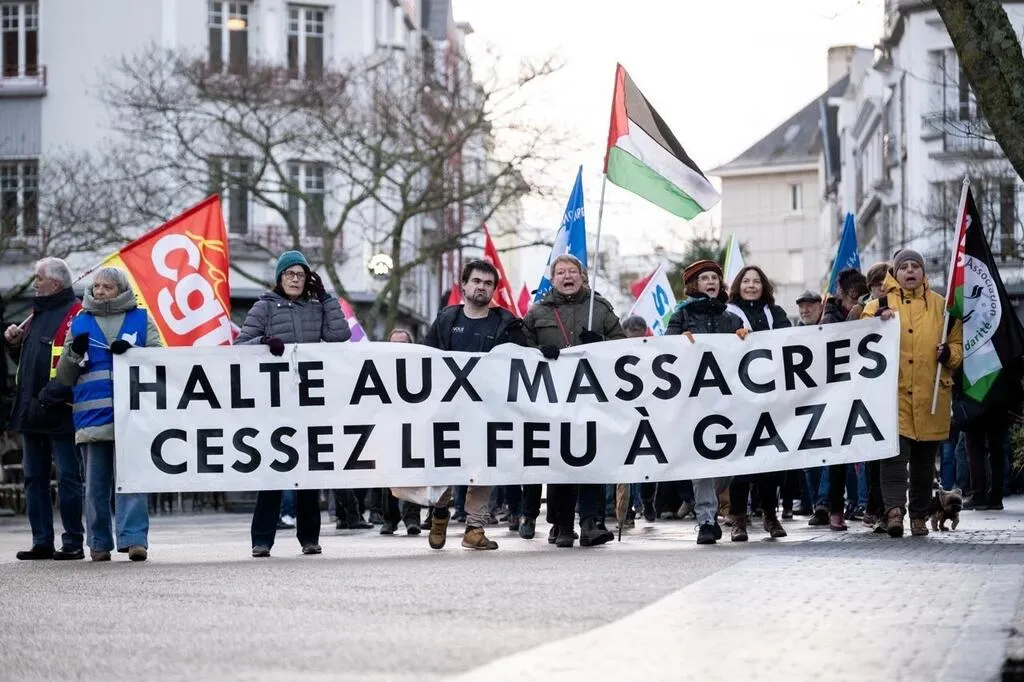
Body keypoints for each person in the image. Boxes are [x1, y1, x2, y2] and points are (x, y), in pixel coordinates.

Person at [236, 251, 351, 557]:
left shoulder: (317, 306)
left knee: (308, 474)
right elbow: (240, 347)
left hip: (308, 401)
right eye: (290, 274)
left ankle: (309, 538)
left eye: (301, 275)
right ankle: (261, 540)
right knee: (273, 471)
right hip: (274, 402)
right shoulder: (264, 307)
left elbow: (340, 335)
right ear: (280, 277)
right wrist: (263, 343)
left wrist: (327, 299)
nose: (296, 280)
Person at [54, 266, 163, 562]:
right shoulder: (80, 322)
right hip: (93, 418)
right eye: (96, 286)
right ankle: (99, 543)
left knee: (133, 481)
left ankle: (134, 540)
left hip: (134, 418)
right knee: (96, 486)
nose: (100, 291)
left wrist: (133, 352)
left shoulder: (141, 319)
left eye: (107, 287)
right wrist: (73, 353)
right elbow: (64, 377)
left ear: (121, 290)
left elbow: (162, 361)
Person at [423, 259, 529, 550]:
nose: (482, 287)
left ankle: (475, 528)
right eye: (477, 281)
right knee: (445, 467)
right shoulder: (446, 320)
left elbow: (525, 358)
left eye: (488, 283)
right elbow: (424, 358)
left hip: (487, 412)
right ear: (465, 285)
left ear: (494, 289)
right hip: (449, 411)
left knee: (485, 467)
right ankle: (440, 513)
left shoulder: (505, 323)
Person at [522, 254, 625, 548]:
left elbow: (623, 345)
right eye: (561, 272)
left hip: (592, 396)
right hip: (553, 399)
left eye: (573, 271)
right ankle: (563, 524)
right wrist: (541, 351)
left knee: (592, 457)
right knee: (561, 460)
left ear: (583, 276)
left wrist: (601, 344)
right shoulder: (538, 311)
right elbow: (521, 345)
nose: (567, 276)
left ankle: (591, 522)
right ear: (553, 279)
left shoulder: (600, 308)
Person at [861, 249, 963, 537]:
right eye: (903, 266)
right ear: (895, 272)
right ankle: (894, 512)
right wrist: (875, 322)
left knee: (923, 463)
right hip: (892, 398)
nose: (909, 271)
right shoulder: (878, 304)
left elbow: (957, 344)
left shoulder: (942, 306)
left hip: (931, 397)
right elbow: (858, 340)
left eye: (914, 266)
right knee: (893, 459)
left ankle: (919, 515)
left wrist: (949, 354)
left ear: (922, 272)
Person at [4, 257, 85, 561]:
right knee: (33, 479)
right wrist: (13, 344)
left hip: (60, 410)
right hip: (30, 411)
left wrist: (48, 398)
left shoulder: (75, 314)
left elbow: (75, 363)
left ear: (54, 282)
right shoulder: (36, 314)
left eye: (38, 278)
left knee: (67, 478)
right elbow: (28, 364)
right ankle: (42, 541)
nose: (35, 283)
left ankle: (73, 541)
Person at [664, 259, 746, 545]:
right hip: (695, 399)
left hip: (727, 400)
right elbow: (666, 351)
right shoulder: (681, 317)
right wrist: (679, 342)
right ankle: (707, 520)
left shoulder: (733, 320)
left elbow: (746, 355)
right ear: (694, 285)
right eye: (704, 278)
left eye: (714, 277)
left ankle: (714, 503)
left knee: (727, 462)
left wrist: (746, 341)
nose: (710, 282)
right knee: (702, 459)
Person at [724, 265, 791, 541]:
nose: (751, 286)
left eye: (756, 282)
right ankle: (739, 518)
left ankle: (769, 514)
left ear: (764, 286)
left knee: (770, 463)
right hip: (740, 399)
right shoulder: (727, 315)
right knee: (742, 463)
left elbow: (793, 340)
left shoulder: (776, 315)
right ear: (738, 285)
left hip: (771, 398)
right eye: (746, 281)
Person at [815, 268, 869, 531]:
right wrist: (855, 317)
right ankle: (835, 508)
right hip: (837, 393)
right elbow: (833, 338)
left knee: (871, 449)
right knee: (838, 453)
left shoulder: (871, 309)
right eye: (850, 297)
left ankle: (871, 506)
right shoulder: (831, 313)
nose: (852, 302)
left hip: (864, 388)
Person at [379, 328, 424, 535]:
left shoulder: (420, 367)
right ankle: (389, 519)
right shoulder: (379, 367)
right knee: (388, 475)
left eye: (402, 344)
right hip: (387, 427)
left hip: (413, 428)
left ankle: (412, 518)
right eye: (393, 343)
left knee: (412, 473)